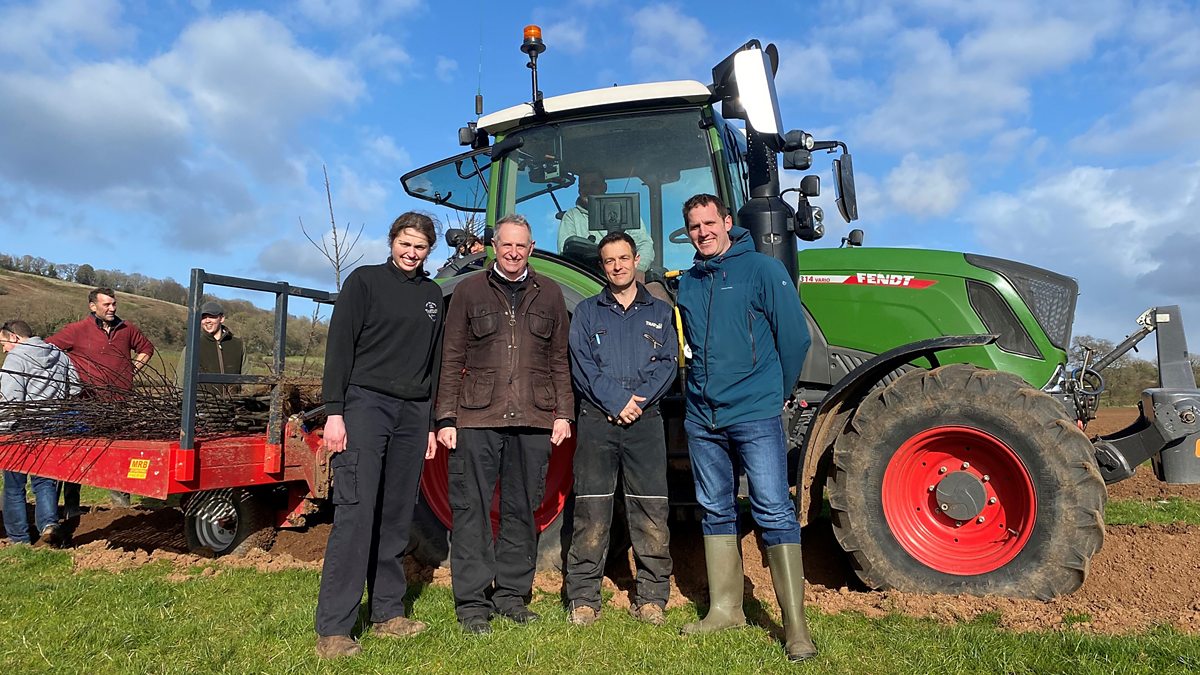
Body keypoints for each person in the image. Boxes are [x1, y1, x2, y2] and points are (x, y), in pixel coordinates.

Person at [675, 194, 816, 661]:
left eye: (709, 223)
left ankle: (795, 628)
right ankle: (724, 609)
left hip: (754, 410)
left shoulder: (761, 269)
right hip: (702, 416)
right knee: (714, 507)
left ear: (728, 222)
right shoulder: (689, 283)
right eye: (694, 226)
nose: (703, 232)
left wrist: (774, 393)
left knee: (773, 507)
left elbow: (794, 338)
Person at [314, 212, 445, 660]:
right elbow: (340, 347)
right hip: (366, 405)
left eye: (420, 247)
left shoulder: (432, 295)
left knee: (396, 514)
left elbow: (434, 364)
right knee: (357, 512)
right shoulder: (363, 282)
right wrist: (335, 411)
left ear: (430, 251)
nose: (411, 253)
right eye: (405, 244)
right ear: (392, 242)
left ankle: (387, 612)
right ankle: (334, 628)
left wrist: (428, 423)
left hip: (412, 413)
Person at [436, 213, 574, 635]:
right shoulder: (468, 290)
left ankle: (511, 595)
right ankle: (472, 603)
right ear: (494, 246)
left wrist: (564, 413)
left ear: (531, 249)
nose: (513, 252)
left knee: (522, 508)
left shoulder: (549, 294)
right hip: (477, 416)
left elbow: (559, 359)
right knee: (472, 509)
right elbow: (452, 355)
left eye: (521, 246)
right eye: (506, 244)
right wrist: (445, 416)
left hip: (534, 416)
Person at [565, 232, 677, 626]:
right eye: (610, 260)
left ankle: (651, 596)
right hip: (598, 420)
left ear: (635, 260)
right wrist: (617, 401)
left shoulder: (661, 312)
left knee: (650, 509)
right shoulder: (586, 312)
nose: (617, 265)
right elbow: (583, 366)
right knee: (592, 509)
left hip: (645, 422)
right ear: (603, 266)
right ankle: (583, 597)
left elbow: (667, 364)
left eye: (623, 258)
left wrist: (638, 402)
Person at [47, 287, 154, 510]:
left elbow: (146, 348)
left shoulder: (127, 329)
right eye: (107, 305)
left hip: (120, 404)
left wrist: (132, 370)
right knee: (76, 455)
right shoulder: (77, 330)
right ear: (92, 306)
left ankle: (120, 509)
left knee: (118, 454)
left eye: (114, 304)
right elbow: (48, 348)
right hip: (86, 404)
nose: (112, 308)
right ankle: (71, 510)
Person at [1, 320, 81, 545]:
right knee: (45, 481)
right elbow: (75, 388)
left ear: (15, 337)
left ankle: (19, 539)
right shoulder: (59, 354)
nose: (3, 348)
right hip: (53, 425)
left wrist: (4, 429)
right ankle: (48, 525)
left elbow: (11, 400)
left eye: (4, 342)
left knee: (15, 485)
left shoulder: (15, 359)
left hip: (22, 427)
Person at [558, 172, 654, 272]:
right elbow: (565, 253)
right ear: (579, 190)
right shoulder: (572, 216)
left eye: (594, 184)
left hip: (628, 273)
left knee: (656, 286)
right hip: (591, 275)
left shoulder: (625, 211)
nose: (588, 189)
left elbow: (644, 244)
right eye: (584, 186)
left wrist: (638, 270)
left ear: (604, 187)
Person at [177, 301, 245, 395]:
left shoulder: (238, 345)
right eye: (203, 317)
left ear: (222, 318)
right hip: (202, 406)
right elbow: (180, 382)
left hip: (234, 406)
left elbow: (247, 381)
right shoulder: (193, 346)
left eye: (212, 316)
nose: (207, 320)